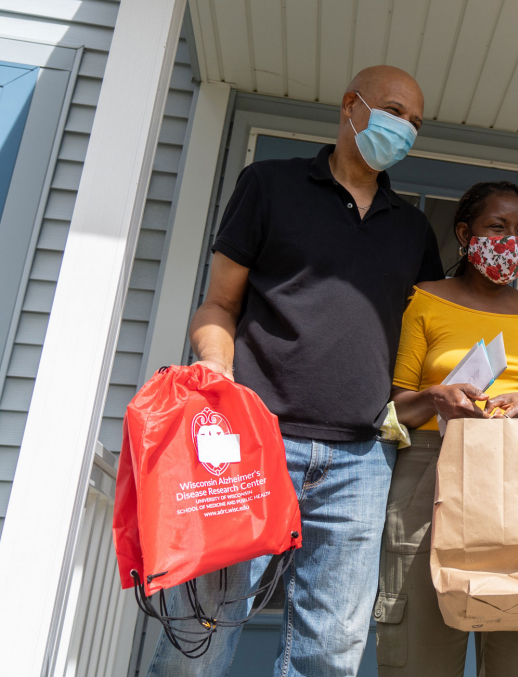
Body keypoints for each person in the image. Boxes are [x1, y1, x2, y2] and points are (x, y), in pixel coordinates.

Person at [148, 65, 442, 677]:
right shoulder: (268, 186)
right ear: (350, 106)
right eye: (393, 111)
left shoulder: (412, 229)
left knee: (329, 658)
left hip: (362, 462)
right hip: (253, 448)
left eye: (414, 123)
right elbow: (218, 305)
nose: (403, 129)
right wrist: (217, 369)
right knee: (198, 637)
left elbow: (428, 340)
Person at [375, 181, 518, 677]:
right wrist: (435, 395)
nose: (511, 240)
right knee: (422, 647)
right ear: (464, 233)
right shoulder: (425, 300)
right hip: (430, 478)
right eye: (496, 226)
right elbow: (395, 408)